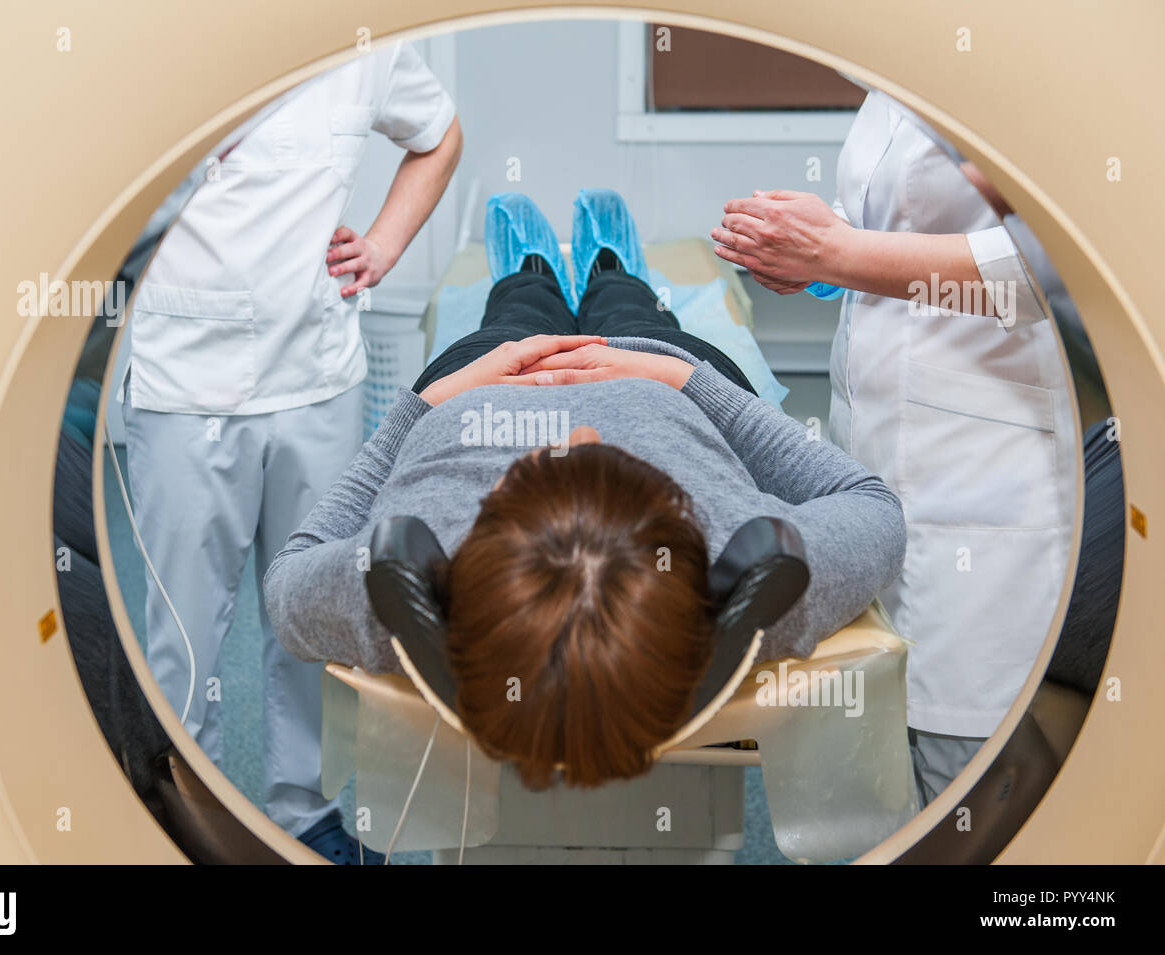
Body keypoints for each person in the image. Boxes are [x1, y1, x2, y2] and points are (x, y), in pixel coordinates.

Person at [263, 190, 906, 787]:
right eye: (602, 457)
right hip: (649, 366)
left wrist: (425, 406)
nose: (578, 432)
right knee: (632, 309)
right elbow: (872, 507)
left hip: (482, 379)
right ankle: (611, 271)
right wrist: (688, 381)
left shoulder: (400, 598)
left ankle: (531, 274)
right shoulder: (755, 588)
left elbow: (288, 575)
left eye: (535, 465)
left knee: (514, 312)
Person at [117, 41, 461, 862]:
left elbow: (440, 135)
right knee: (185, 639)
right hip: (184, 386)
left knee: (311, 618)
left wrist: (379, 246)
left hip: (317, 380)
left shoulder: (369, 46)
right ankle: (180, 814)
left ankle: (304, 814)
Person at [711, 89, 1078, 805]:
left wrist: (840, 251)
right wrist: (815, 247)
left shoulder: (1033, 53)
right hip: (878, 451)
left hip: (981, 471)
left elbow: (1050, 267)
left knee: (964, 766)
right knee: (881, 747)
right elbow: (901, 218)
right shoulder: (904, 65)